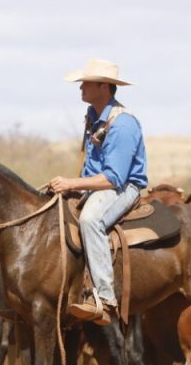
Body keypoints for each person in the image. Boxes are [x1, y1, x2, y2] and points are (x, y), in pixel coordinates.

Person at [49, 59, 148, 326]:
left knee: (90, 220)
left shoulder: (123, 124)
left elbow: (114, 177)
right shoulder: (93, 117)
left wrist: (71, 184)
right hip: (94, 185)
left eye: (86, 82)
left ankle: (105, 299)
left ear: (104, 86)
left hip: (123, 188)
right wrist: (71, 186)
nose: (81, 87)